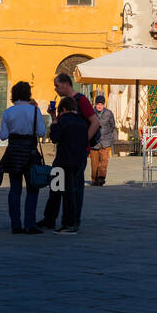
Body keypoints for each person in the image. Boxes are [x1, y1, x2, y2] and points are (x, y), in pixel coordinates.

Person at [0, 81, 46, 235]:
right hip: (30, 153)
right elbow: (42, 132)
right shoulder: (35, 111)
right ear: (28, 94)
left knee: (15, 189)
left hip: (13, 153)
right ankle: (30, 224)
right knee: (32, 189)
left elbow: (3, 136)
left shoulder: (8, 112)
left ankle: (15, 225)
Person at [45, 96, 89, 235]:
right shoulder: (82, 122)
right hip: (78, 162)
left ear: (63, 109)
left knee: (57, 191)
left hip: (62, 162)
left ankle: (64, 223)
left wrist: (54, 120)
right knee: (68, 192)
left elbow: (54, 138)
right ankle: (65, 221)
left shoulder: (63, 120)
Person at [89, 94, 116, 187]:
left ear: (104, 105)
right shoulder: (91, 113)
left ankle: (101, 178)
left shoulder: (109, 113)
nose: (100, 106)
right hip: (94, 142)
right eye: (98, 104)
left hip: (106, 141)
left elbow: (113, 126)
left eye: (101, 104)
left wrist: (108, 135)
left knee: (104, 161)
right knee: (94, 163)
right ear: (95, 104)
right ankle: (94, 180)